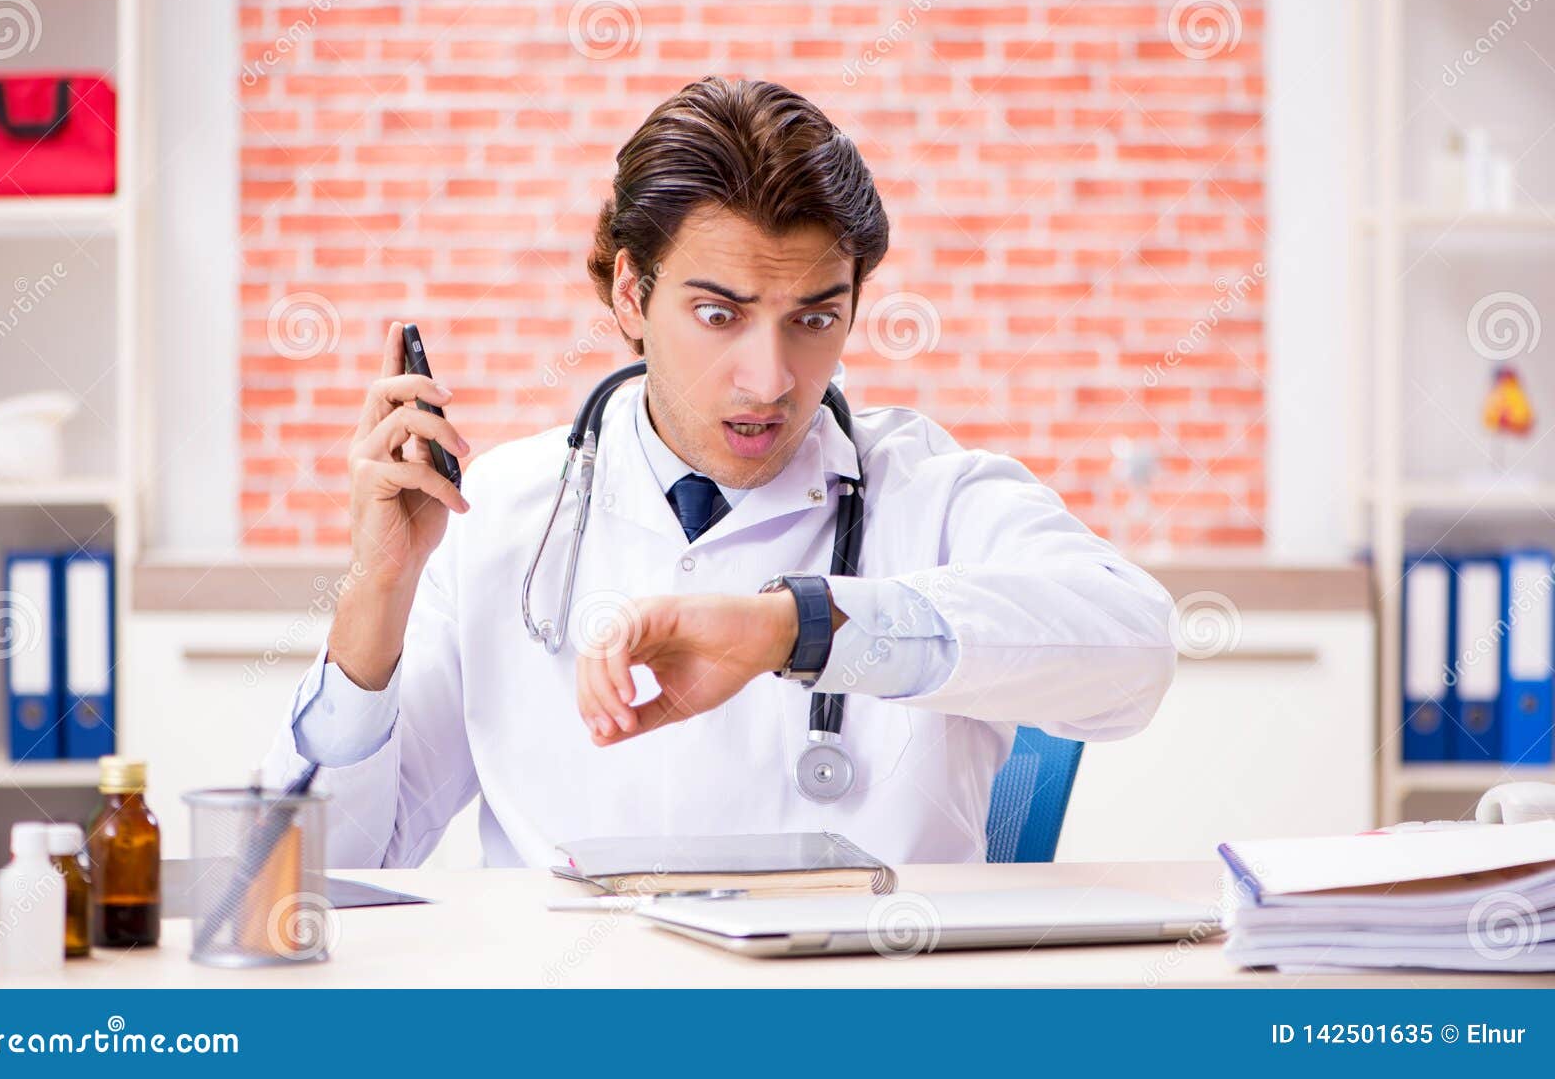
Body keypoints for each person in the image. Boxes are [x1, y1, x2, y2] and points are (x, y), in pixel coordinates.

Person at [262, 76, 1177, 868]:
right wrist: (375, 591)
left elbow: (1133, 653)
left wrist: (796, 629)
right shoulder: (502, 510)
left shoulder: (927, 490)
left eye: (814, 319)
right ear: (631, 293)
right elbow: (322, 874)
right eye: (719, 315)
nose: (771, 379)